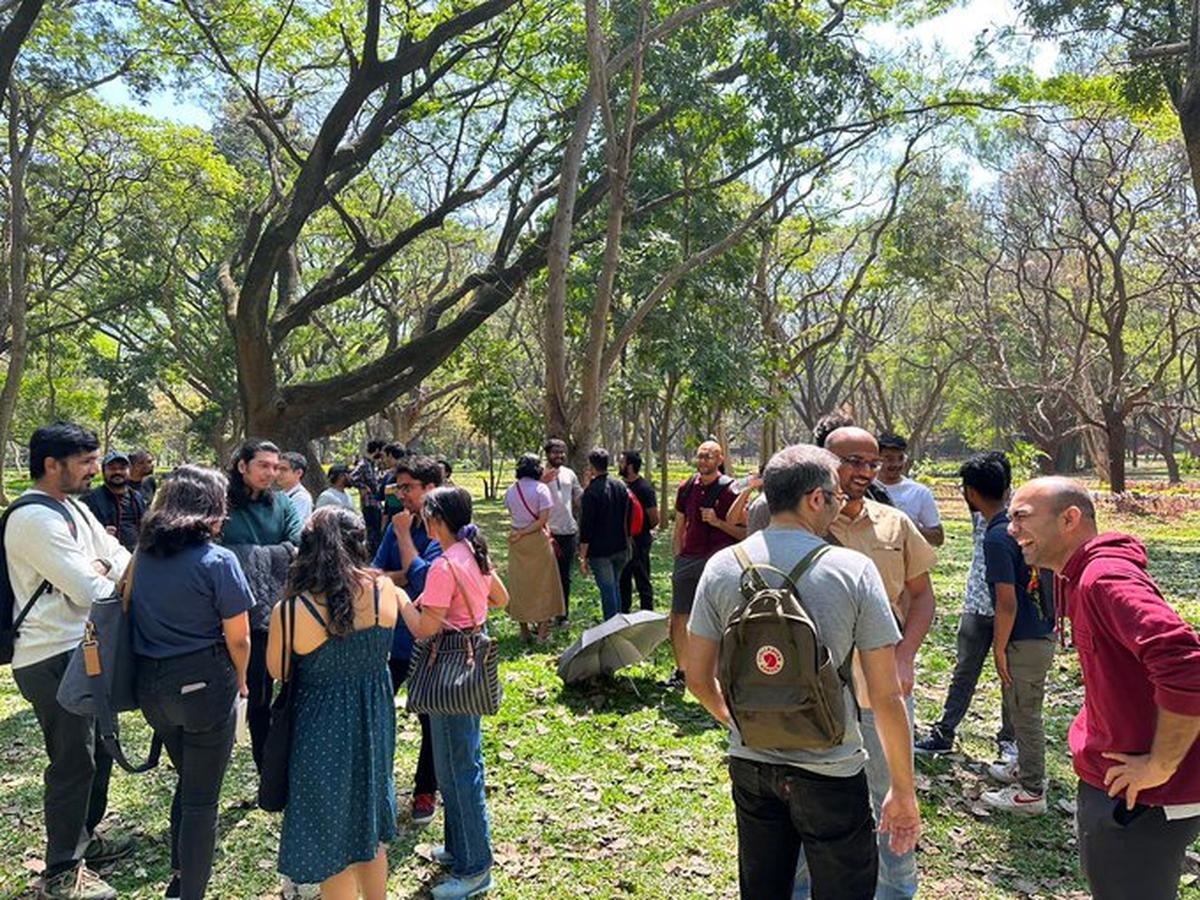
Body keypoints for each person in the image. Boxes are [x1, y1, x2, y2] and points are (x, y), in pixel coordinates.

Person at [686, 444, 921, 899]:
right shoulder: (853, 571)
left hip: (752, 764)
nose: (839, 502)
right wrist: (902, 790)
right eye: (834, 494)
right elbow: (885, 695)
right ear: (815, 499)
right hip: (832, 767)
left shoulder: (721, 567)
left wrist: (739, 722)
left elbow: (697, 677)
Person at [1009, 477, 1200, 900]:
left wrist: (1161, 765)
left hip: (1143, 796)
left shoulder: (1104, 578)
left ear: (1069, 519)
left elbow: (1187, 665)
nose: (1011, 529)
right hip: (1113, 779)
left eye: (1022, 517)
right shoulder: (1074, 575)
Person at [791, 426, 937, 900]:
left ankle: (894, 891)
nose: (865, 472)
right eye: (853, 461)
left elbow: (921, 597)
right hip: (812, 691)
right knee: (804, 797)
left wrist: (905, 657)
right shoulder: (797, 528)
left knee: (891, 795)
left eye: (872, 463)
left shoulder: (893, 524)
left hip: (882, 689)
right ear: (822, 460)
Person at [6, 422, 134, 900]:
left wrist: (99, 568)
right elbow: (94, 589)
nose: (95, 470)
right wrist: (97, 572)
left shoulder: (73, 509)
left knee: (99, 750)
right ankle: (61, 870)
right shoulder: (34, 519)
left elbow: (119, 557)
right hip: (49, 655)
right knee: (72, 760)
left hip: (83, 644)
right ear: (51, 464)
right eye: (84, 462)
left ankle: (85, 838)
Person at [130, 465, 254, 899]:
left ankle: (181, 872)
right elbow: (239, 638)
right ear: (211, 509)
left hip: (151, 688)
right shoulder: (218, 561)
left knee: (189, 779)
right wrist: (242, 681)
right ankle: (191, 890)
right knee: (203, 800)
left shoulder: (142, 555)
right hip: (204, 686)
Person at [269, 507, 399, 900]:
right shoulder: (385, 590)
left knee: (330, 837)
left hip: (320, 732)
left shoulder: (292, 611)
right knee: (370, 822)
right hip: (374, 721)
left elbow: (278, 670)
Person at [395, 486, 509, 899]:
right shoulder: (472, 553)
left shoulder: (445, 564)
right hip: (471, 659)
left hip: (450, 666)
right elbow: (501, 597)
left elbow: (424, 628)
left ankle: (475, 868)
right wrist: (468, 610)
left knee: (458, 771)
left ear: (436, 519)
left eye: (426, 516)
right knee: (461, 763)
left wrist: (399, 599)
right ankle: (460, 849)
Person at [944, 453, 1055, 815]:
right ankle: (1023, 767)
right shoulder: (1021, 527)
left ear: (971, 493)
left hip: (1023, 637)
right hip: (1039, 631)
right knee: (1023, 707)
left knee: (1025, 713)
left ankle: (1031, 792)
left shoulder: (995, 537)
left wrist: (999, 646)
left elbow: (1005, 602)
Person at [916, 453, 1015, 761]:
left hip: (1008, 610)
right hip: (975, 606)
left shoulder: (1017, 520)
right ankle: (944, 732)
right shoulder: (981, 514)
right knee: (965, 672)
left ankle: (1010, 740)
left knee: (1009, 677)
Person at [220, 439, 302, 772]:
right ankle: (263, 765)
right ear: (242, 466)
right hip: (235, 613)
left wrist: (247, 553)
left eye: (276, 466)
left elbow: (297, 544)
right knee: (254, 695)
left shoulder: (282, 503)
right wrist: (272, 552)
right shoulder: (221, 502)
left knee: (282, 687)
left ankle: (280, 760)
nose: (272, 473)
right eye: (263, 466)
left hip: (280, 610)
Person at [372, 455, 443, 827]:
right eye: (399, 488)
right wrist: (395, 572)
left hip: (430, 641)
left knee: (430, 717)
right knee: (378, 710)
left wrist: (401, 541)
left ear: (430, 488)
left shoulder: (444, 529)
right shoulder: (397, 525)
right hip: (394, 637)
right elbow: (376, 572)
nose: (401, 495)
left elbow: (422, 580)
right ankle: (375, 787)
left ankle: (425, 789)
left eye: (408, 488)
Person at [669, 441, 743, 687]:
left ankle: (720, 676)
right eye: (700, 456)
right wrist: (678, 555)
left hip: (720, 563)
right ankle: (682, 672)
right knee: (679, 617)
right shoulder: (687, 487)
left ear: (720, 459)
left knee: (720, 618)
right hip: (689, 559)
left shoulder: (731, 490)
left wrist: (718, 522)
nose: (703, 461)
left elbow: (746, 533)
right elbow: (680, 524)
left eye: (709, 456)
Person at [503, 453, 564, 642]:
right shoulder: (541, 489)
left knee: (520, 585)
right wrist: (526, 531)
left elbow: (512, 513)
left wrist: (520, 532)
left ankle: (524, 631)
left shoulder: (510, 490)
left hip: (516, 541)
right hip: (537, 540)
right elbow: (542, 520)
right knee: (545, 584)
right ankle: (543, 632)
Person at [577, 448, 630, 622]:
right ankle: (619, 622)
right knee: (614, 586)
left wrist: (583, 556)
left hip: (600, 551)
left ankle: (612, 627)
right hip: (621, 546)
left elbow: (586, 527)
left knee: (608, 590)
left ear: (591, 466)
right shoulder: (620, 485)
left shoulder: (591, 492)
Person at [541, 439, 582, 626]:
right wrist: (541, 481)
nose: (559, 455)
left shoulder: (570, 474)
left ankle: (563, 615)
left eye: (562, 452)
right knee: (547, 576)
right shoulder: (538, 474)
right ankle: (545, 615)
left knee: (565, 576)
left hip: (568, 531)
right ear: (547, 454)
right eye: (555, 452)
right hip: (548, 532)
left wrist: (589, 490)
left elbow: (578, 497)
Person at [875, 434, 943, 546]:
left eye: (900, 458)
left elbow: (938, 538)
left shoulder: (919, 492)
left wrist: (907, 526)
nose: (896, 464)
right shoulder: (865, 488)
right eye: (889, 459)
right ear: (877, 459)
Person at [81, 450, 147, 552]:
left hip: (136, 557)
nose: (117, 472)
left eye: (122, 468)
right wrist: (99, 534)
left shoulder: (137, 497)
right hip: (107, 558)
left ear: (129, 471)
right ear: (103, 471)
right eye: (112, 468)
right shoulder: (89, 499)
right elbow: (79, 534)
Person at [619, 450, 658, 613]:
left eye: (621, 462)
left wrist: (640, 530)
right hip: (623, 541)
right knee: (623, 579)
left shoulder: (644, 488)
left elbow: (654, 518)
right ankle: (623, 613)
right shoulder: (620, 486)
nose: (619, 464)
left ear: (630, 466)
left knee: (642, 578)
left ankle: (647, 614)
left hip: (640, 541)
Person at [351, 440, 385, 553]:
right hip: (369, 503)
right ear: (377, 450)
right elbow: (352, 478)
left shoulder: (373, 465)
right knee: (373, 532)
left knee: (377, 531)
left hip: (376, 503)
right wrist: (363, 487)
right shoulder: (363, 464)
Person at [277, 452, 314, 521]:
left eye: (284, 469)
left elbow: (292, 525)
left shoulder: (301, 497)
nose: (278, 473)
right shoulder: (280, 495)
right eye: (277, 468)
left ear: (298, 473)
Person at [378, 443, 409, 519]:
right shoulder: (388, 476)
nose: (383, 460)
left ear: (390, 456)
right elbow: (384, 500)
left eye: (384, 457)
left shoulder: (410, 474)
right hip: (391, 519)